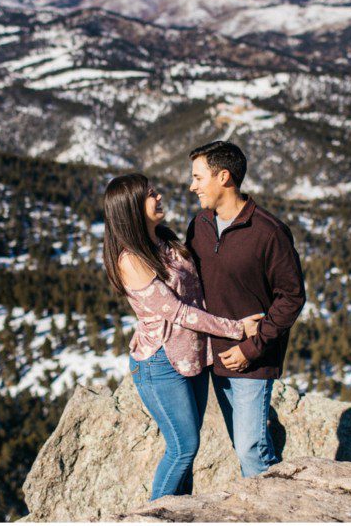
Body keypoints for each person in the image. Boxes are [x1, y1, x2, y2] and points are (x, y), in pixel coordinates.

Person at [102, 173, 264, 500]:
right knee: (183, 447)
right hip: (161, 362)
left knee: (187, 453)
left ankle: (180, 514)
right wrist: (237, 328)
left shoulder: (163, 239)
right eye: (150, 195)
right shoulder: (131, 260)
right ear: (131, 208)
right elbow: (179, 312)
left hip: (193, 357)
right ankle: (150, 519)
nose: (158, 197)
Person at [185, 141, 306, 478]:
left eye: (198, 177)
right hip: (216, 357)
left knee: (252, 450)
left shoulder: (269, 232)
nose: (192, 186)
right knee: (243, 445)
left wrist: (252, 348)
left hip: (253, 359)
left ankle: (275, 510)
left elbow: (292, 297)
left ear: (224, 177)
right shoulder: (200, 225)